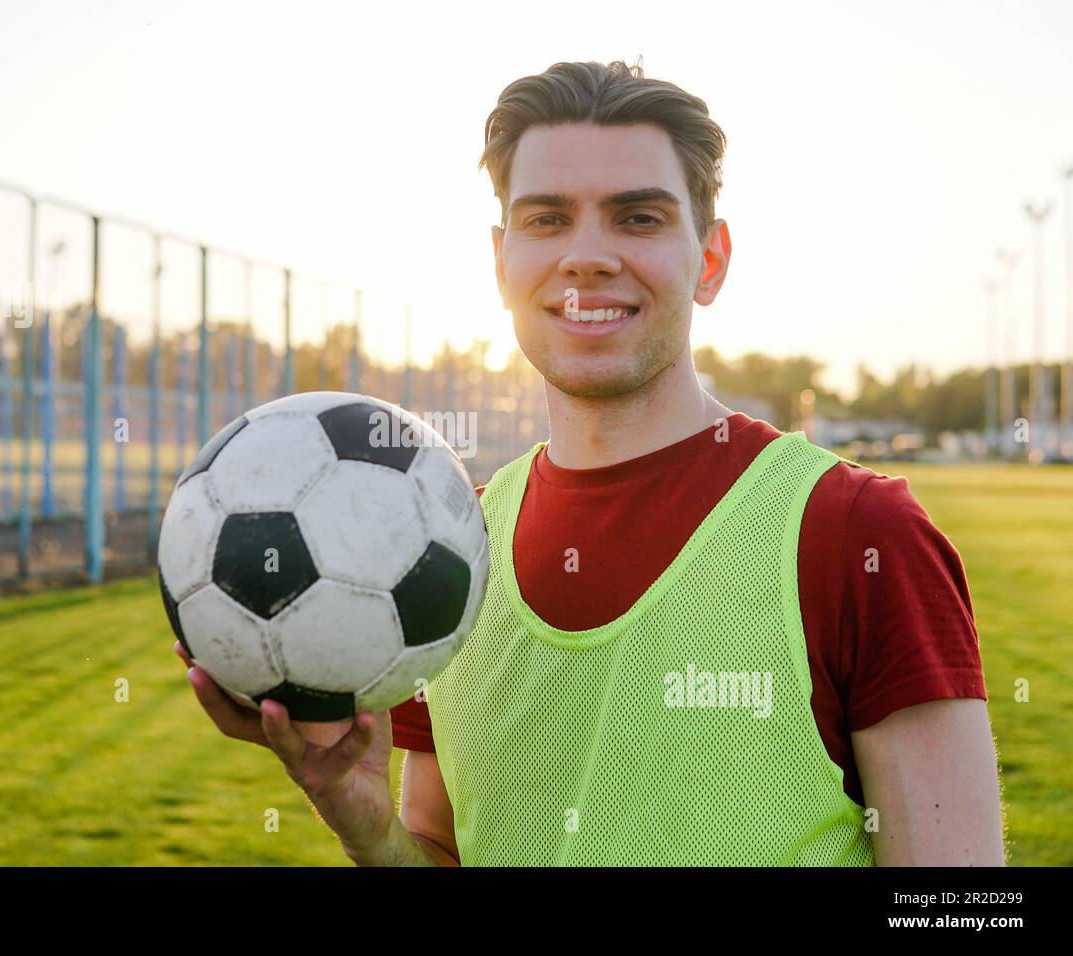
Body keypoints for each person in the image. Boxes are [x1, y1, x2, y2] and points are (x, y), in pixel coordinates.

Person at [174, 58, 1005, 867]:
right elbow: (440, 851)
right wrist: (364, 828)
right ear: (501, 260)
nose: (587, 256)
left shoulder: (855, 532)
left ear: (709, 260)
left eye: (638, 217)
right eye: (546, 219)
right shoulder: (444, 555)